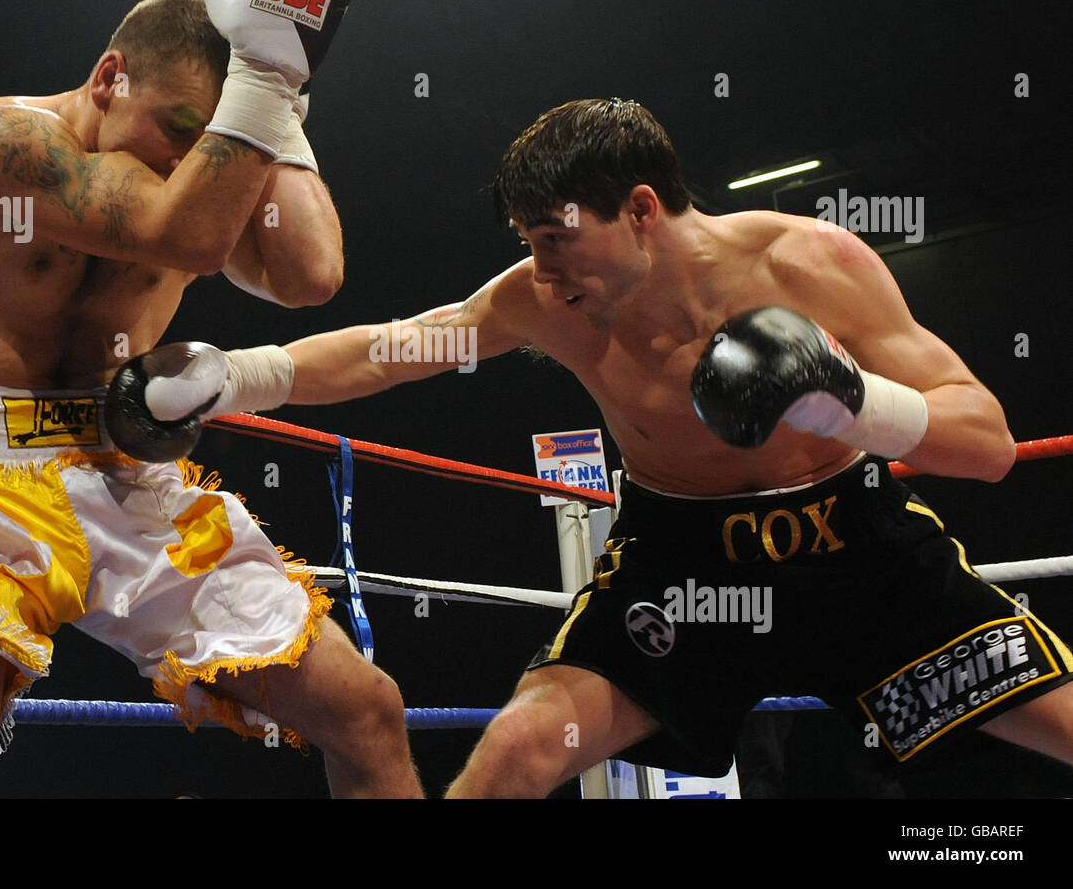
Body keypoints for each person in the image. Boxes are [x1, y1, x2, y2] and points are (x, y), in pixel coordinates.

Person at [109, 97, 1073, 797]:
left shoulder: (809, 265)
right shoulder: (542, 301)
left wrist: (848, 403)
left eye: (555, 240)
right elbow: (391, 351)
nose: (539, 270)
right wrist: (239, 376)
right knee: (516, 754)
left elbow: (986, 444)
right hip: (681, 565)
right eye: (529, 243)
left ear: (642, 210)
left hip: (864, 557)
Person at [0, 0, 421, 799]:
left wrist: (281, 95)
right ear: (110, 78)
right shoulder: (4, 139)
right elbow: (181, 231)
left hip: (132, 474)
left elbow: (312, 275)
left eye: (211, 140)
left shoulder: (201, 159)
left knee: (367, 710)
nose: (194, 160)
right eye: (178, 128)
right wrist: (259, 83)